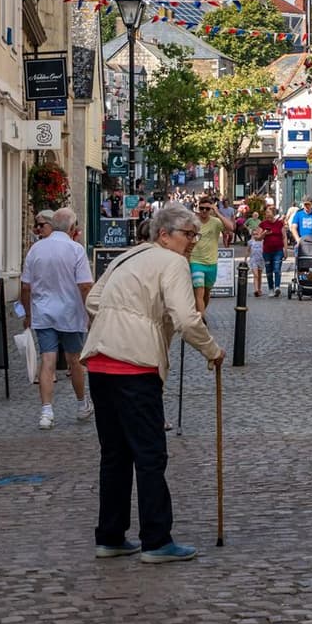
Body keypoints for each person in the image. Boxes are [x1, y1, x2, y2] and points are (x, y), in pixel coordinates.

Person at [79, 203, 224, 563]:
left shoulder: (126, 258)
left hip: (99, 359)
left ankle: (110, 536)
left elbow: (95, 299)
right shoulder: (172, 262)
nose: (193, 241)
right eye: (187, 234)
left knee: (114, 454)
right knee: (149, 453)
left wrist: (123, 319)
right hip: (135, 365)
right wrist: (213, 351)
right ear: (164, 234)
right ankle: (156, 540)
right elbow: (187, 319)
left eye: (195, 234)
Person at [21, 209, 94, 430]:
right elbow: (85, 285)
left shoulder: (36, 249)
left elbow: (25, 287)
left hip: (43, 313)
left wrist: (27, 313)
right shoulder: (76, 250)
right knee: (75, 361)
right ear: (72, 228)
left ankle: (46, 411)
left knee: (48, 361)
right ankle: (82, 405)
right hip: (70, 314)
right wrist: (90, 313)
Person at [189, 199, 229, 313]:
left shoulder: (216, 222)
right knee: (199, 290)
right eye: (202, 208)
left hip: (211, 263)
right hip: (195, 261)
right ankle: (201, 320)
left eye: (207, 208)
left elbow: (231, 227)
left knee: (206, 292)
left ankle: (200, 313)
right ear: (198, 208)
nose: (204, 211)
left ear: (211, 209)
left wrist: (218, 213)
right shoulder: (193, 222)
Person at [258, 210, 287, 294]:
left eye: (270, 216)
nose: (268, 218)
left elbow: (284, 237)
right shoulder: (263, 224)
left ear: (274, 215)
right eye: (267, 217)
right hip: (267, 251)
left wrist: (285, 249)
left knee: (277, 269)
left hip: (278, 250)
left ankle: (277, 287)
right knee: (269, 270)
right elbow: (258, 238)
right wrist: (264, 233)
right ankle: (271, 288)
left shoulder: (280, 223)